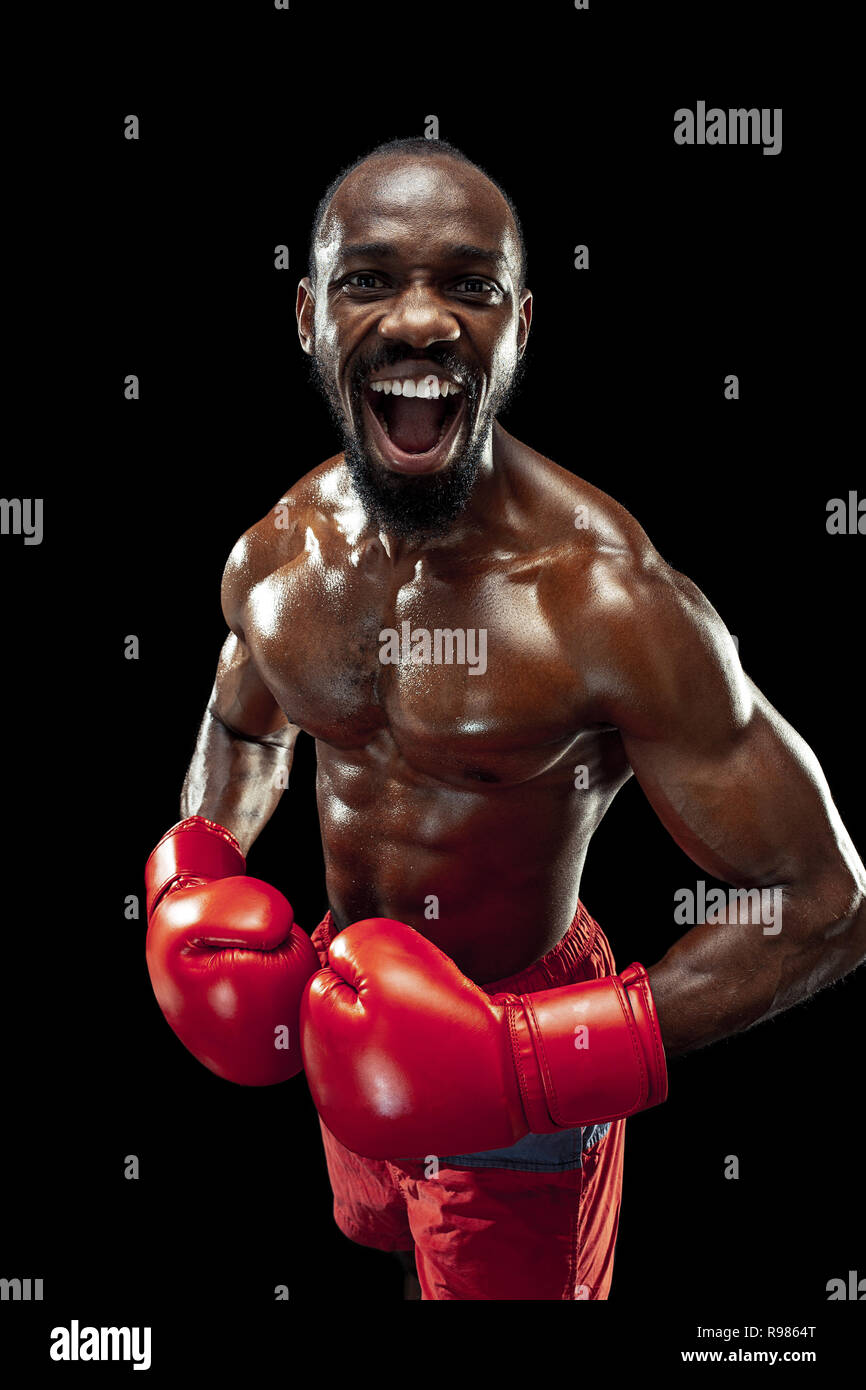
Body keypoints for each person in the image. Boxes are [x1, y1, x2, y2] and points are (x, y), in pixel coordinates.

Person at [143, 137, 865, 1301]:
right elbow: (240, 729)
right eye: (367, 278)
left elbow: (825, 902)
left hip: (522, 1025)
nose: (419, 319)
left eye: (467, 285)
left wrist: (525, 1065)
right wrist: (192, 870)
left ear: (519, 328)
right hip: (344, 1009)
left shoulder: (606, 600)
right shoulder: (277, 555)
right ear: (306, 316)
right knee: (377, 1238)